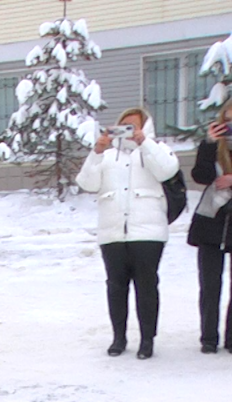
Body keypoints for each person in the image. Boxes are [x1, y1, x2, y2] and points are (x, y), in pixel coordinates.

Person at [76, 107, 179, 359]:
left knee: (146, 287)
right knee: (115, 287)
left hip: (148, 232)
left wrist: (145, 143)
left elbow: (168, 170)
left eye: (134, 126)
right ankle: (119, 337)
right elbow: (87, 183)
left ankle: (147, 340)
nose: (129, 131)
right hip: (113, 233)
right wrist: (96, 152)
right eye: (124, 125)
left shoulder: (157, 149)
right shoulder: (107, 156)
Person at [188, 98, 232, 354]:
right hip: (211, 220)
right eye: (226, 121)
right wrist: (208, 144)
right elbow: (200, 176)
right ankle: (208, 337)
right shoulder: (213, 147)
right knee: (209, 283)